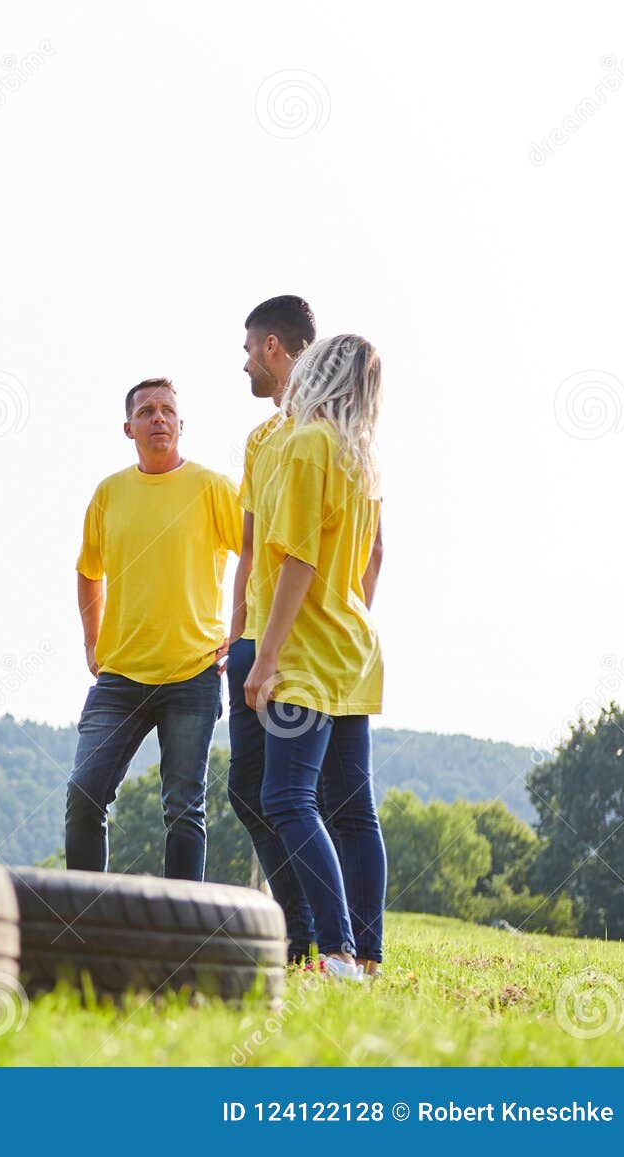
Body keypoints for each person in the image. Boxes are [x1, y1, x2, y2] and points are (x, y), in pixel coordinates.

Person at [244, 334, 387, 980]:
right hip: (353, 650)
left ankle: (333, 950)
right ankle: (367, 955)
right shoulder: (361, 455)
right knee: (354, 810)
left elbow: (297, 558)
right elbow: (374, 557)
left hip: (306, 652)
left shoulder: (305, 445)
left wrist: (265, 655)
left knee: (286, 798)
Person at [65, 379, 241, 878]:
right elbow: (87, 570)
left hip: (192, 675)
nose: (158, 419)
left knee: (184, 809)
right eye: (147, 412)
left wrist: (241, 629)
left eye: (167, 411)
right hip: (119, 677)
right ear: (129, 427)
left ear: (181, 424)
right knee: (84, 793)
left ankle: (181, 942)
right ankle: (83, 922)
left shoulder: (212, 487)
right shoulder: (110, 492)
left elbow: (256, 556)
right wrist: (91, 643)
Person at [227, 294, 320, 961]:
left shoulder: (327, 431)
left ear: (272, 349)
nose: (243, 365)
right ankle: (299, 931)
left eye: (246, 349)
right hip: (254, 640)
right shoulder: (260, 439)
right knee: (247, 789)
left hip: (304, 645)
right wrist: (239, 638)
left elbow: (366, 549)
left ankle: (328, 935)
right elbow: (252, 549)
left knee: (300, 796)